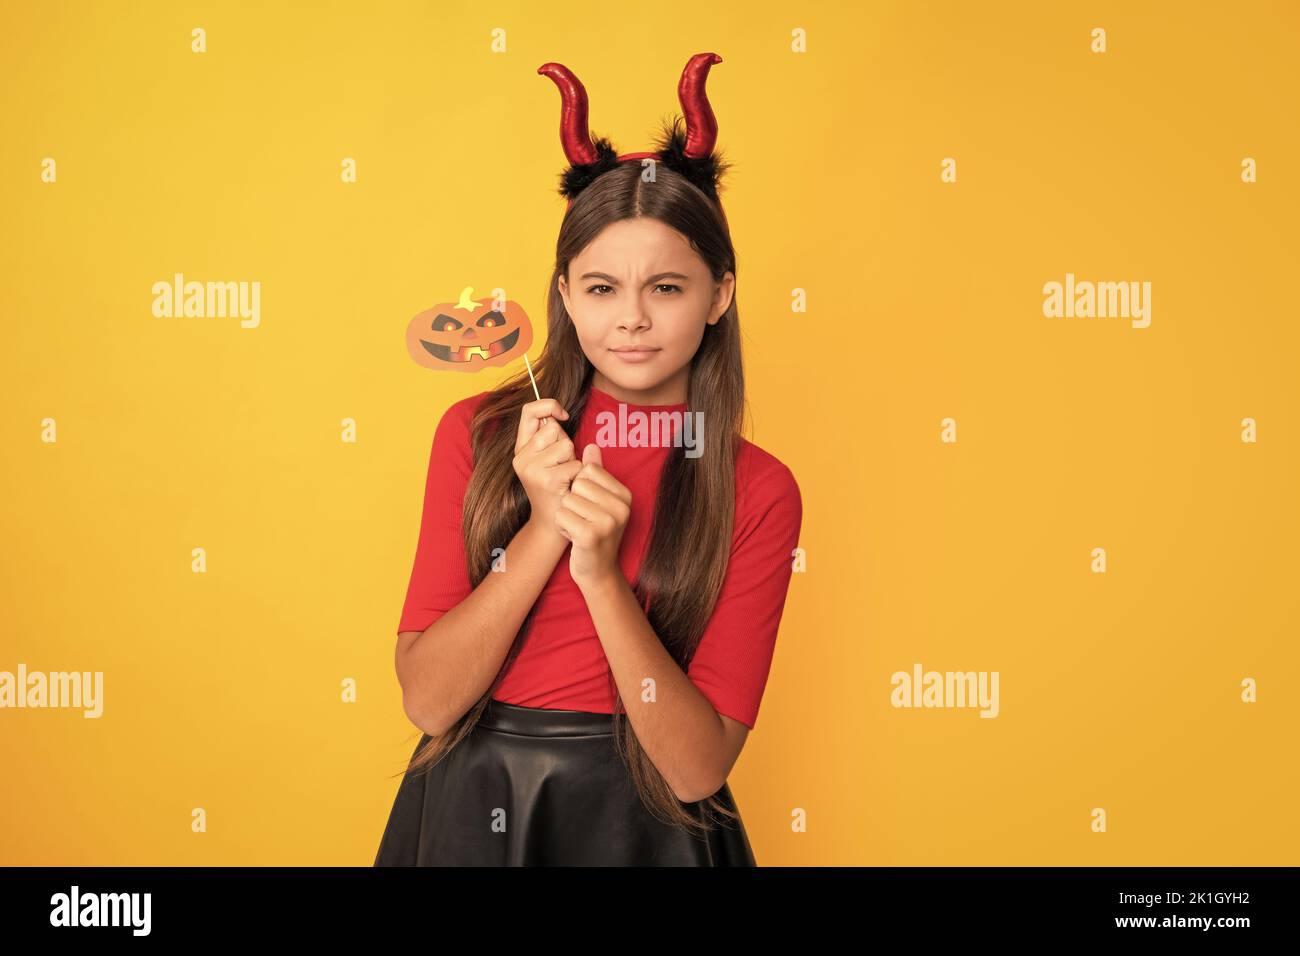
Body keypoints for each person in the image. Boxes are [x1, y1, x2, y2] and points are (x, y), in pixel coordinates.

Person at [374, 52, 802, 866]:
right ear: (565, 296)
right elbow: (429, 703)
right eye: (602, 288)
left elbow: (695, 766)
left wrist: (601, 575)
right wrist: (542, 528)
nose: (632, 320)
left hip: (643, 828)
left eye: (667, 288)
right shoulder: (480, 435)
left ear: (718, 295)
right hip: (474, 806)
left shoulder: (760, 489)